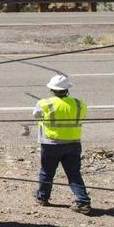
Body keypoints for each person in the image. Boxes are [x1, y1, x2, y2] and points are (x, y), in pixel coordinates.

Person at [33, 74, 92, 214]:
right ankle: (83, 202)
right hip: (73, 143)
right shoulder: (79, 103)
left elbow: (36, 115)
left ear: (51, 89)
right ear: (67, 90)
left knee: (47, 172)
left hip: (51, 143)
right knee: (74, 173)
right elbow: (82, 116)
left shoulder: (44, 103)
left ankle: (42, 197)